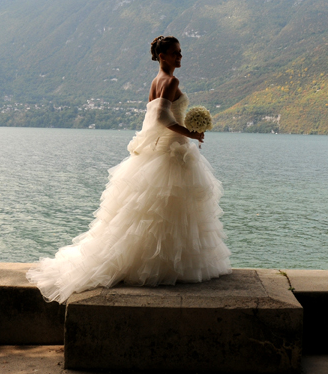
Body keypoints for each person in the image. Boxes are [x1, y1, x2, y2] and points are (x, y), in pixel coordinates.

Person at [27, 36, 232, 303]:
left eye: (181, 52)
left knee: (153, 213)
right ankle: (166, 266)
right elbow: (160, 118)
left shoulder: (155, 81)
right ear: (162, 57)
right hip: (171, 152)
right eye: (175, 53)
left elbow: (151, 118)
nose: (180, 57)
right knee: (171, 212)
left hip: (160, 149)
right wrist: (190, 133)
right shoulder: (171, 82)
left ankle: (149, 263)